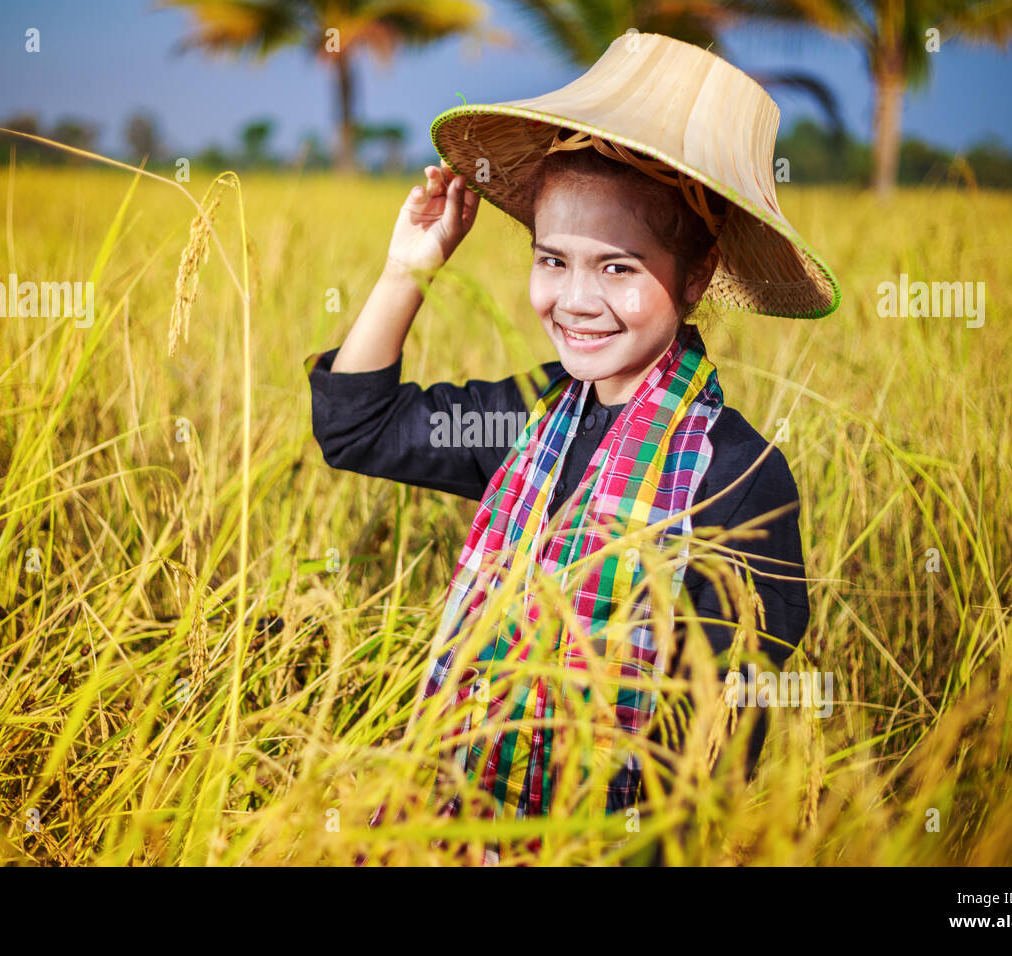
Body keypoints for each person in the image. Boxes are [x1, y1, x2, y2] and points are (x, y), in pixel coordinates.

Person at [305, 32, 841, 863]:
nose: (577, 301)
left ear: (694, 280)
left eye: (619, 269)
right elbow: (356, 427)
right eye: (552, 260)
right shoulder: (525, 417)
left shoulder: (739, 479)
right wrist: (407, 270)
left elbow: (709, 752)